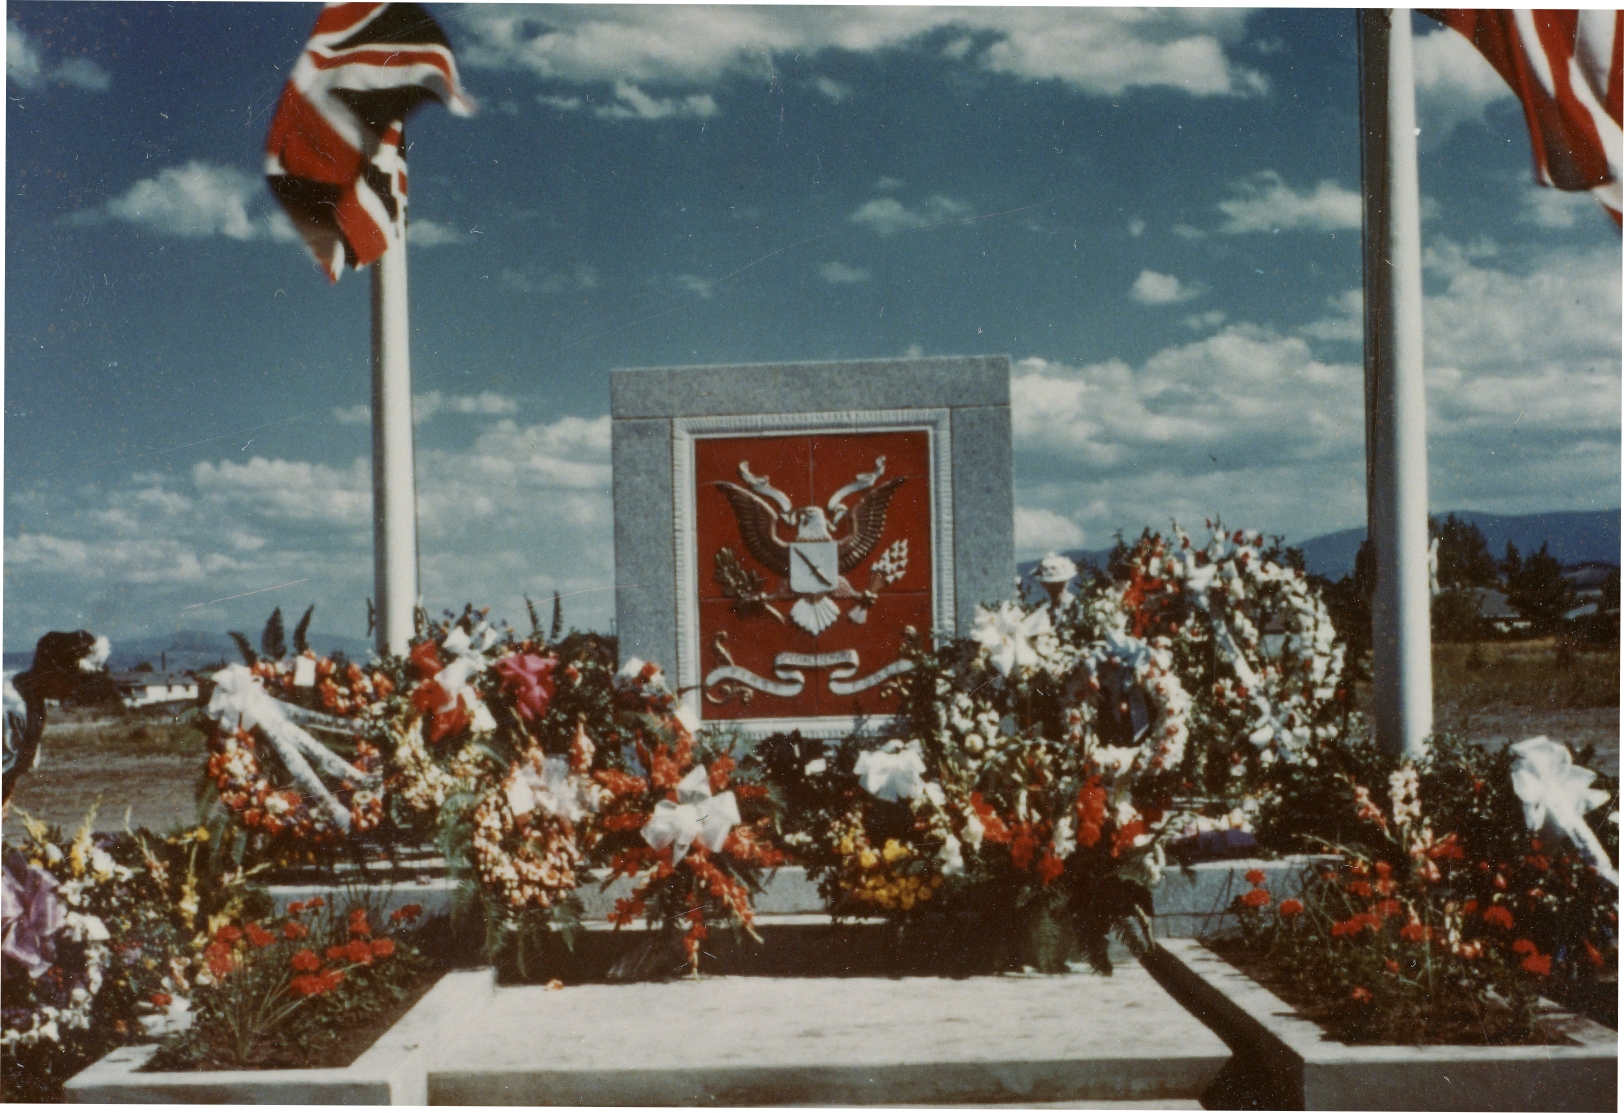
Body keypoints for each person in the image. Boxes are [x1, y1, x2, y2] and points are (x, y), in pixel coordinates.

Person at [2, 630, 111, 810]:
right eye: (70, 680)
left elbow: (14, 769)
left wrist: (5, 801)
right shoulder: (14, 710)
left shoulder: (29, 699)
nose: (72, 689)